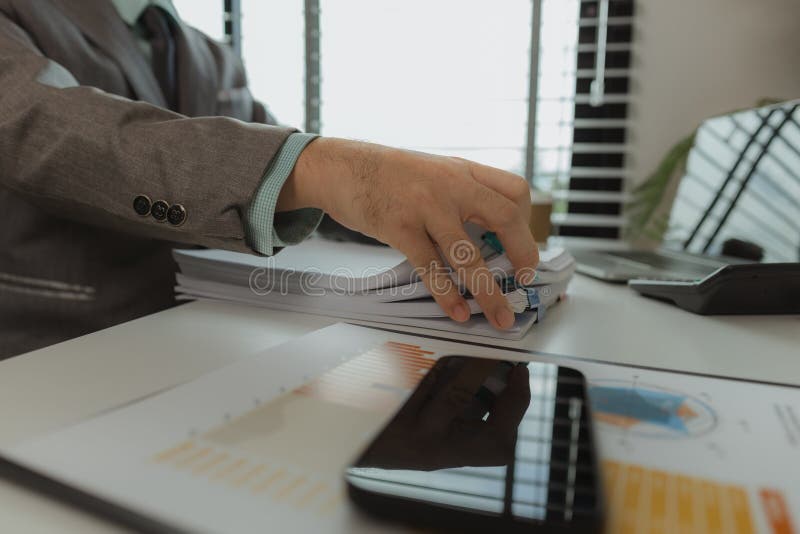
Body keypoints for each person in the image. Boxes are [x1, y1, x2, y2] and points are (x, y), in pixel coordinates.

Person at [0, 0, 538, 359]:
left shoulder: (208, 54)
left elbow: (277, 180)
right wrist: (334, 167)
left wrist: (421, 213)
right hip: (54, 357)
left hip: (217, 343)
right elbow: (46, 127)